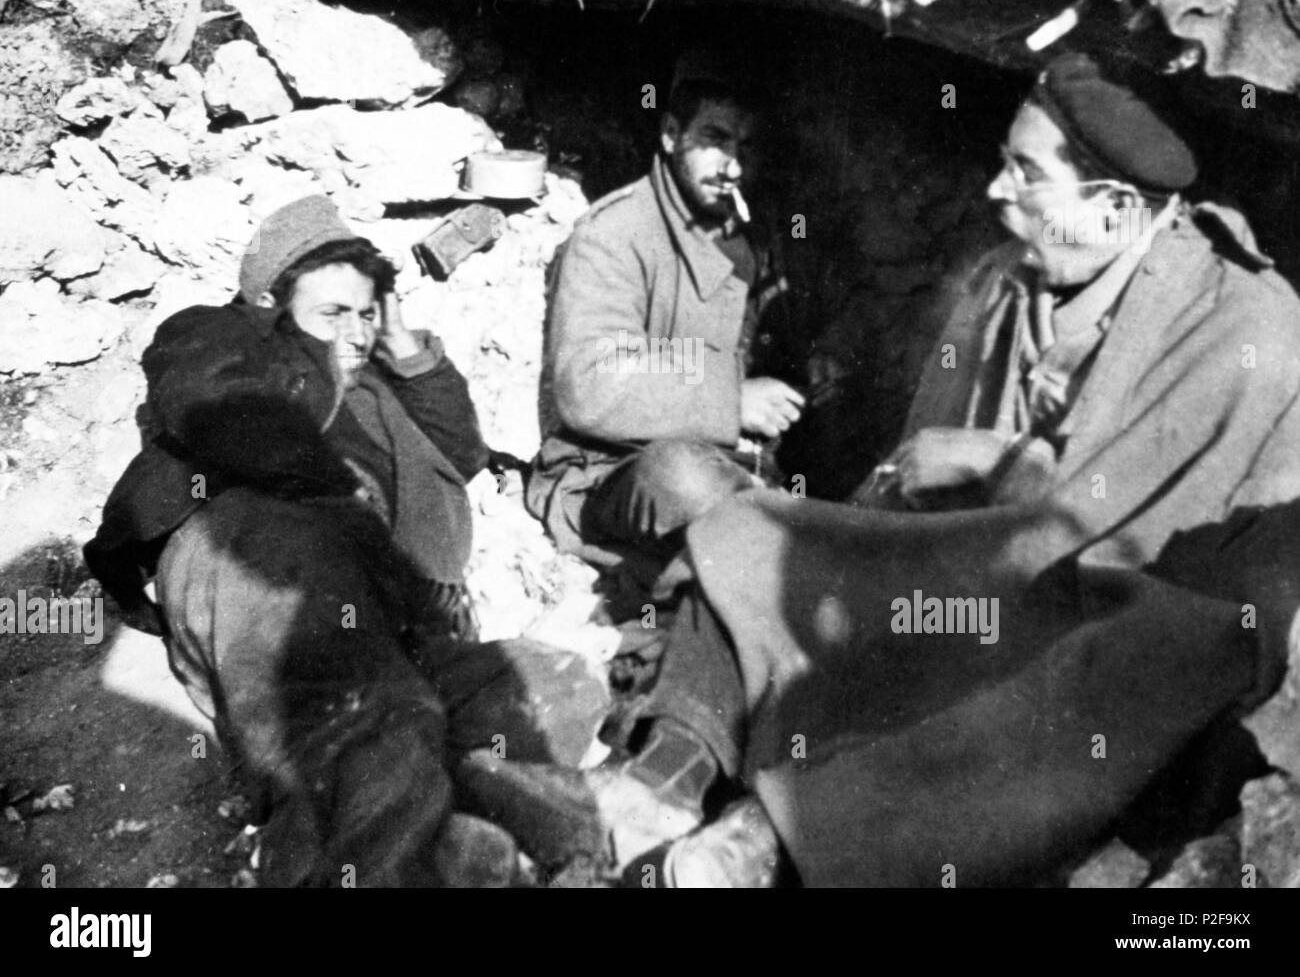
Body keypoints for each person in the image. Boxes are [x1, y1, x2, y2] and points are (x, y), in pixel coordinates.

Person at [481, 53, 1300, 886]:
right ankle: (654, 787)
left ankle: (766, 841)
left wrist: (1010, 465)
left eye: (1025, 172)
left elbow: (1176, 549)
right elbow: (913, 483)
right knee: (751, 529)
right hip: (970, 574)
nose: (995, 192)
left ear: (1117, 208)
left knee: (1144, 656)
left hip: (1099, 612)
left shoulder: (1246, 328)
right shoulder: (1008, 281)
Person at [84, 195, 490, 886]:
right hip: (247, 544)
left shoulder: (378, 384)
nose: (355, 330)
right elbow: (218, 406)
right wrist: (340, 482)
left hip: (364, 587)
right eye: (333, 311)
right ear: (270, 304)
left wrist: (408, 354)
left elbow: (464, 453)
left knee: (455, 715)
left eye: (365, 312)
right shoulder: (218, 334)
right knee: (339, 736)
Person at [525, 52, 803, 566]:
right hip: (613, 470)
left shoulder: (753, 229)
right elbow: (590, 383)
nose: (734, 167)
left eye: (747, 146)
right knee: (683, 478)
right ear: (672, 134)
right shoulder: (613, 234)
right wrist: (731, 400)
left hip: (734, 460)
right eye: (716, 140)